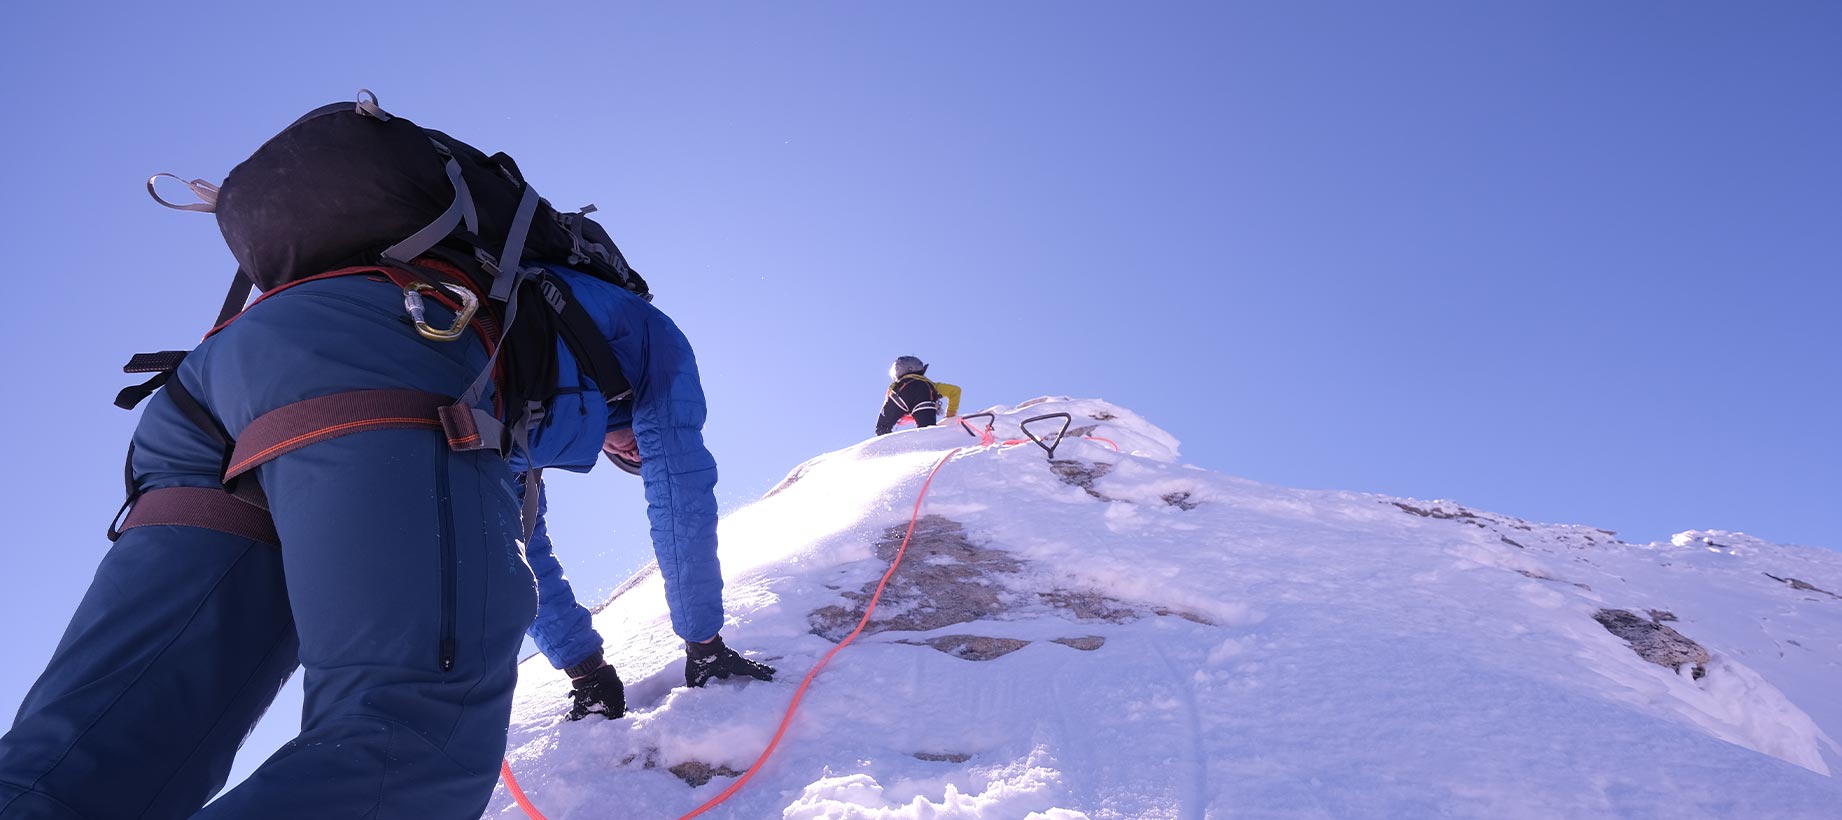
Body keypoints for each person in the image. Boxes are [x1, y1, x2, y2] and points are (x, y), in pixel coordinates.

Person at [0, 95, 770, 820]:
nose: (629, 450)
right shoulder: (648, 345)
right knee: (404, 733)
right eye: (629, 450)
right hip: (389, 352)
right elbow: (681, 493)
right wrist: (702, 643)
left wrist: (584, 668)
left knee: (83, 754)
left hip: (209, 391)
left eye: (623, 456)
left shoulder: (509, 382)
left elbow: (519, 549)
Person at [874, 355, 962, 435]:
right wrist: (950, 415)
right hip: (925, 396)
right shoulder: (930, 384)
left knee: (882, 427)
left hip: (901, 396)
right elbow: (955, 391)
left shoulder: (900, 384)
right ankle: (929, 447)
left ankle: (884, 448)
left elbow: (890, 395)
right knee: (927, 431)